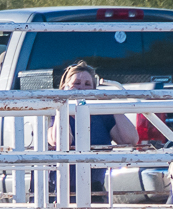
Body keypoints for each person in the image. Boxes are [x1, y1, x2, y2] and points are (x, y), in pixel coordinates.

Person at [47, 61, 138, 196]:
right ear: (65, 87)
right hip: (60, 190)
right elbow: (61, 141)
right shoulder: (53, 114)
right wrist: (64, 103)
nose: (82, 89)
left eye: (87, 85)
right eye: (76, 84)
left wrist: (110, 104)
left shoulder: (101, 116)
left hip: (94, 189)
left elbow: (130, 139)